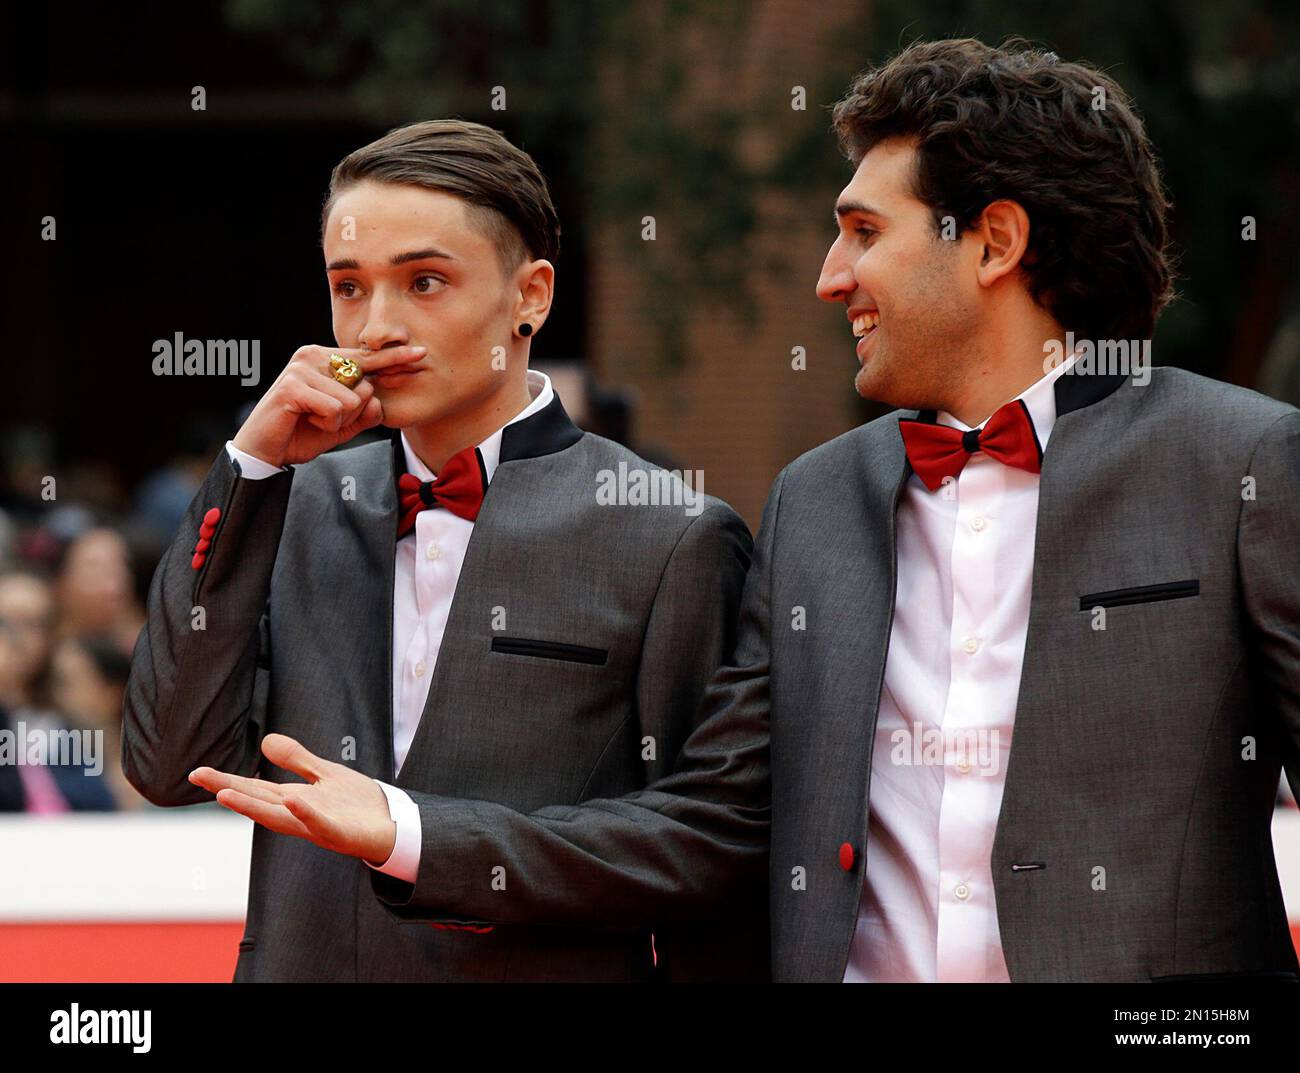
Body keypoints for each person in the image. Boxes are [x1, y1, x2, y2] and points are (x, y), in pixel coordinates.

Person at [185, 39, 1300, 984]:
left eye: (864, 231)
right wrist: (414, 831)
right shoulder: (819, 499)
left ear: (993, 243)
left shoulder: (1242, 460)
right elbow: (714, 823)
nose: (829, 276)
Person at [123, 120, 763, 982]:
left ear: (530, 294)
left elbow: (699, 847)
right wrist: (249, 467)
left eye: (424, 281)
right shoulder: (290, 505)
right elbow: (168, 763)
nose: (377, 326)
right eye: (349, 288)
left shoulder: (670, 533)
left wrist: (414, 836)